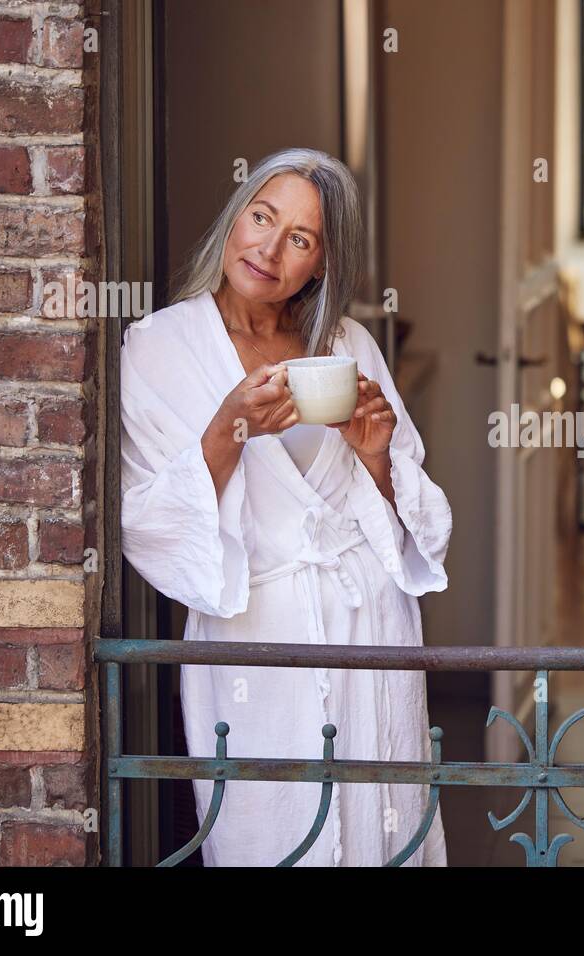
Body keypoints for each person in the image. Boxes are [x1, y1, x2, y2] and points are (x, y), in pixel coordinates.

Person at [119, 147, 450, 866]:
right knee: (266, 835)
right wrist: (227, 430)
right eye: (261, 217)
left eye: (300, 239)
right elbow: (146, 521)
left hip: (370, 633)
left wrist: (372, 454)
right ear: (234, 218)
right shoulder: (158, 347)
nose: (269, 248)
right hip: (253, 642)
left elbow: (413, 530)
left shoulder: (347, 342)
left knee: (380, 828)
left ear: (322, 265)